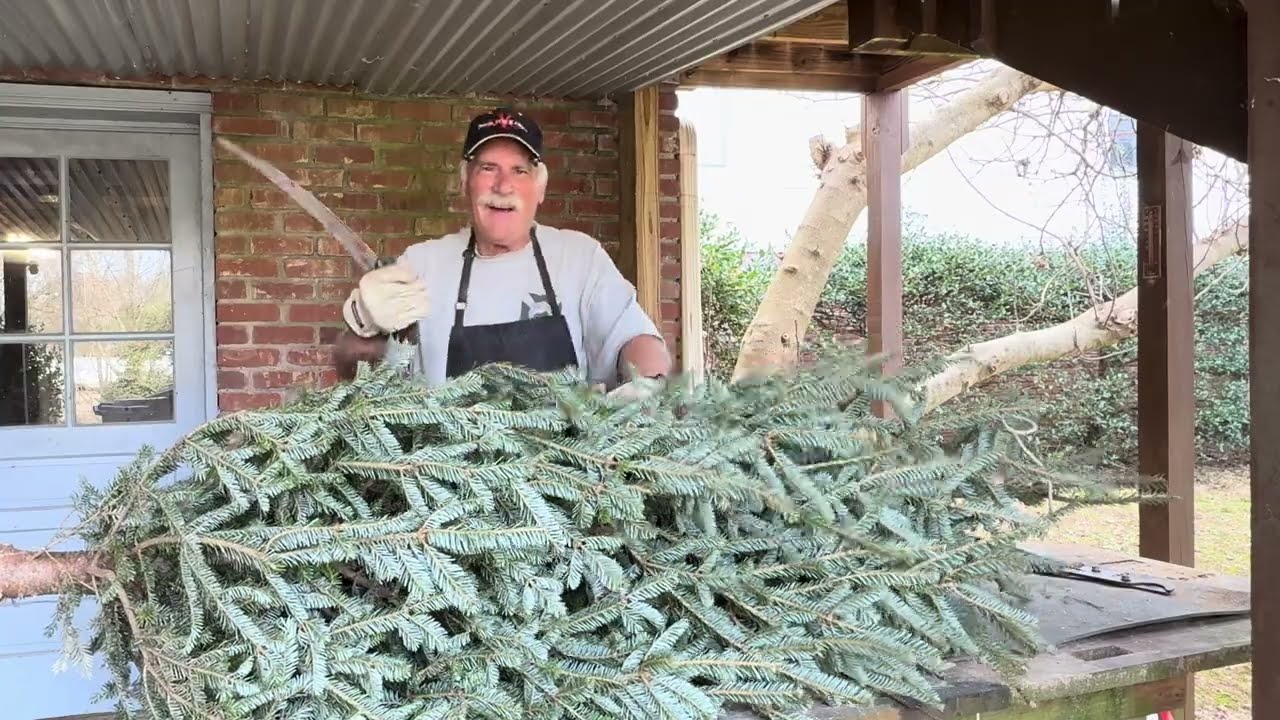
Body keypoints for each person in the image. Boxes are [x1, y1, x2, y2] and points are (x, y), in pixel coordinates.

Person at [337, 106, 671, 394]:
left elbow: (638, 340)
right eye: (488, 168)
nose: (503, 186)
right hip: (450, 452)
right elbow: (353, 375)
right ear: (465, 181)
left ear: (540, 187)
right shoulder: (422, 264)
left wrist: (647, 387)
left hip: (565, 450)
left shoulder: (580, 258)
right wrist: (364, 327)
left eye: (519, 170)